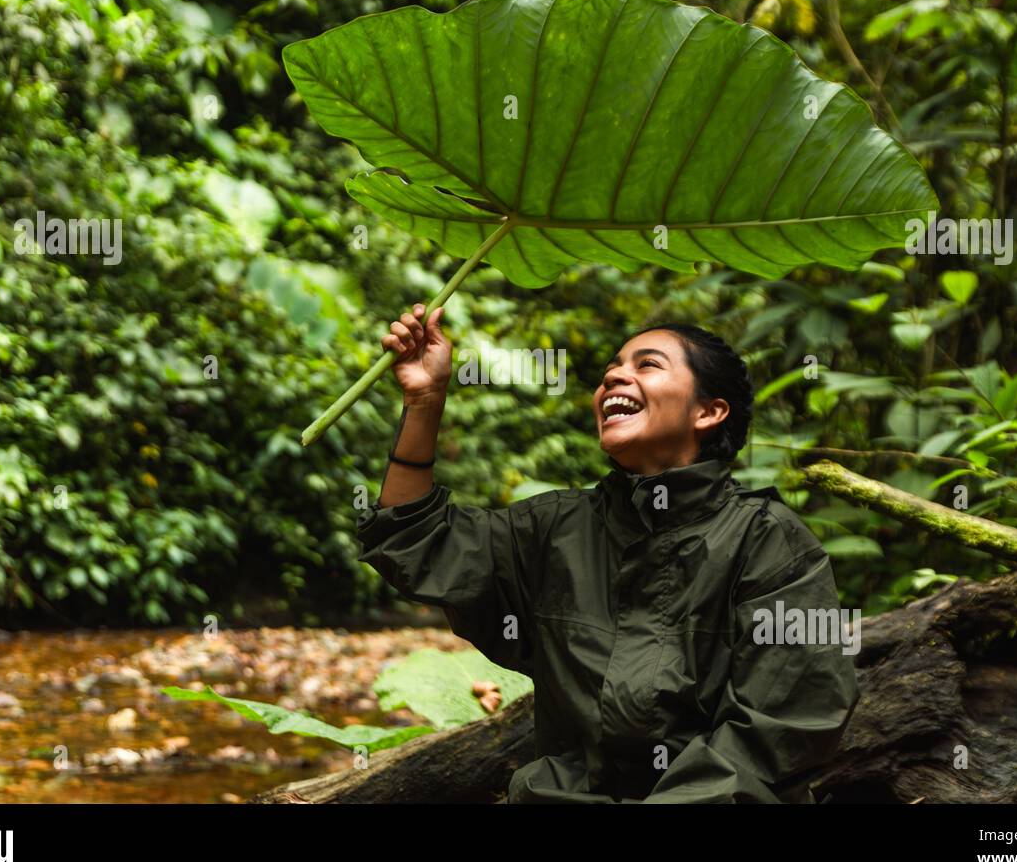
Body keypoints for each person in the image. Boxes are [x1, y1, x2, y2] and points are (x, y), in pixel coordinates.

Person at [356, 303, 860, 803]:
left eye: (648, 364)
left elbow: (785, 723)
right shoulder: (555, 527)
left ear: (708, 412)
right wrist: (425, 400)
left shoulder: (767, 540)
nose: (615, 377)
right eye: (610, 370)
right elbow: (414, 540)